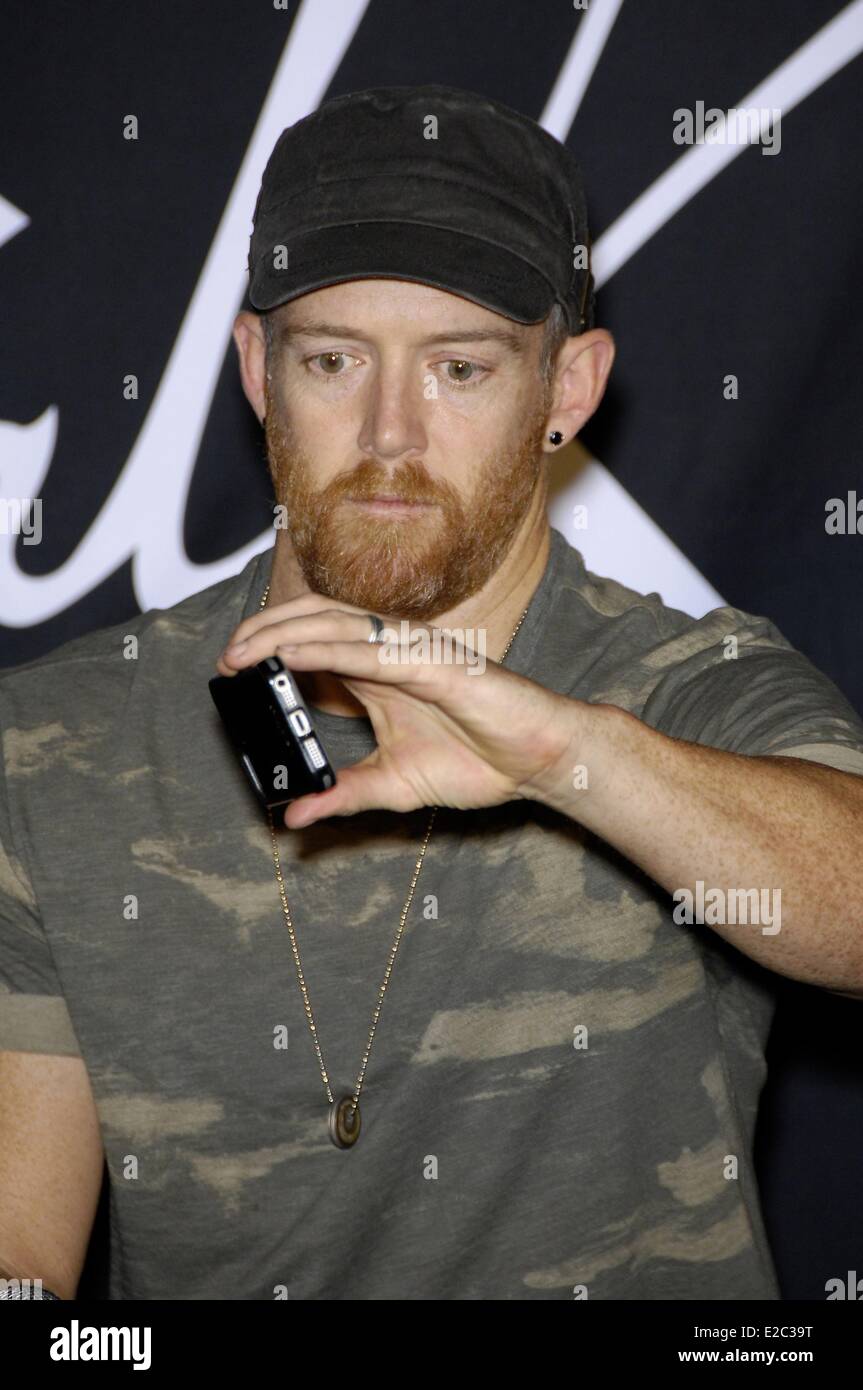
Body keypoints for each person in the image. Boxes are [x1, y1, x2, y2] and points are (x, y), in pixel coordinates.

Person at [2, 84, 863, 1303]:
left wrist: (567, 757)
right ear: (257, 370)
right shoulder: (53, 739)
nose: (390, 433)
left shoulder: (688, 688)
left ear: (564, 392)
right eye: (335, 359)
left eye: (460, 368)